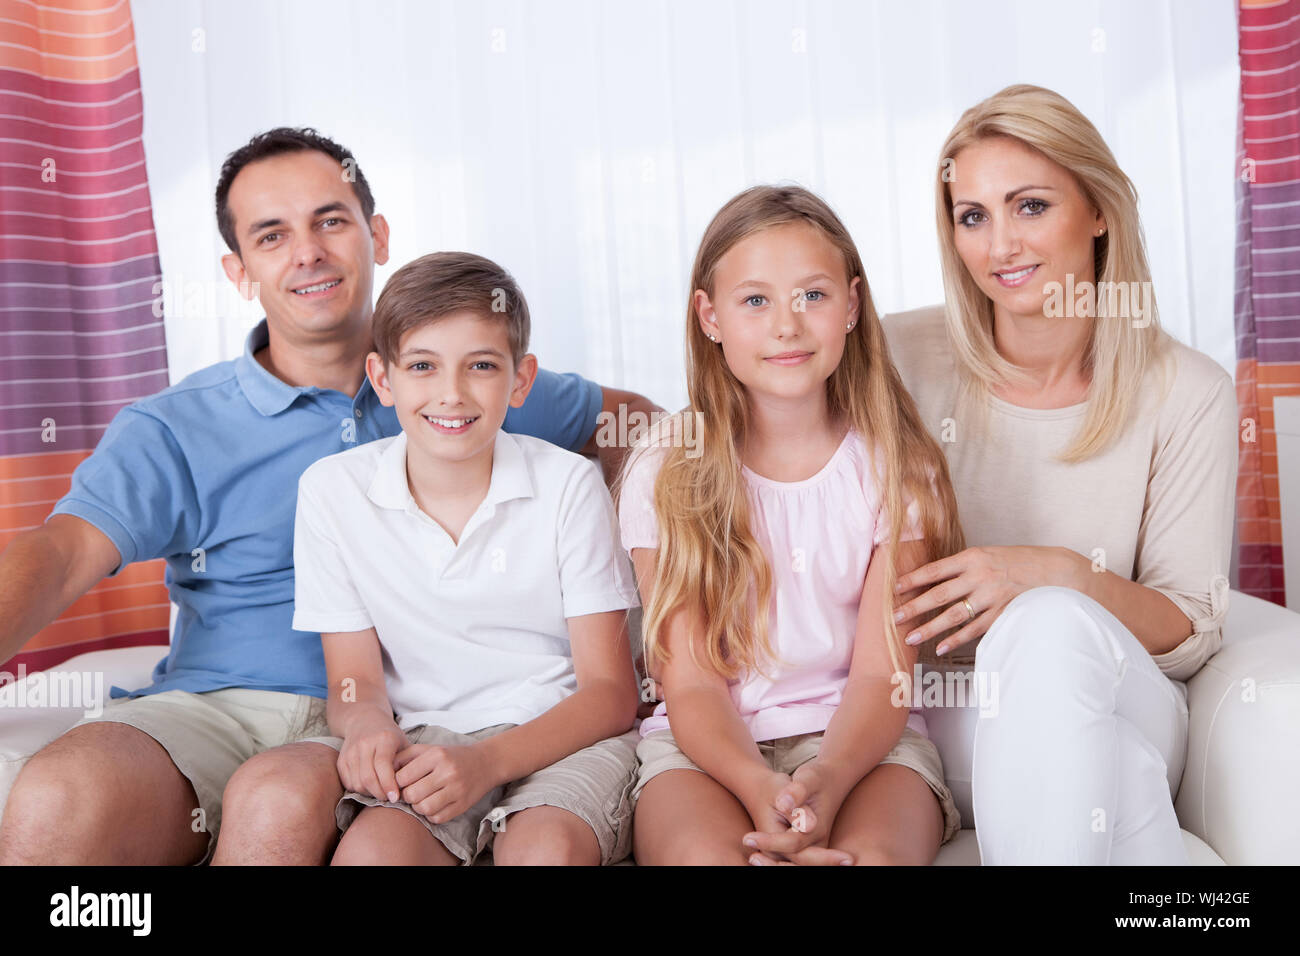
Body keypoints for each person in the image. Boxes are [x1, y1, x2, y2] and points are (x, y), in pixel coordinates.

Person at [0, 128, 659, 865]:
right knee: (55, 799)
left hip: (397, 716)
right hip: (228, 703)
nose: (308, 252)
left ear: (376, 235)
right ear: (239, 270)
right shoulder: (175, 426)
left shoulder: (459, 386)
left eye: (331, 220)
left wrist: (654, 574)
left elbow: (643, 427)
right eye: (272, 235)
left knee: (277, 800)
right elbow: (59, 558)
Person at [885, 85, 1237, 864]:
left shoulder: (1189, 391)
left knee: (1047, 623)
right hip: (955, 712)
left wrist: (1060, 579)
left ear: (1100, 210)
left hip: (1124, 692)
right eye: (972, 216)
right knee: (1120, 778)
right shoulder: (895, 358)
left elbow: (1189, 627)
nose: (1000, 245)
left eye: (1031, 206)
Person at [619, 185, 965, 866]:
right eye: (755, 300)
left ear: (853, 307)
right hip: (707, 745)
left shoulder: (899, 466)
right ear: (709, 316)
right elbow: (688, 682)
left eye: (813, 295)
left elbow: (880, 677)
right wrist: (758, 786)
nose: (787, 325)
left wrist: (827, 782)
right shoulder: (666, 465)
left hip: (863, 742)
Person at [292, 251, 640, 865]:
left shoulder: (567, 485)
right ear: (383, 378)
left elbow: (610, 694)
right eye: (423, 366)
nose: (450, 395)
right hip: (428, 739)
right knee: (371, 855)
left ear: (521, 379)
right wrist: (369, 726)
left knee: (542, 851)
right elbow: (354, 681)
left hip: (564, 732)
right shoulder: (332, 491)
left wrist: (488, 763)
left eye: (481, 365)